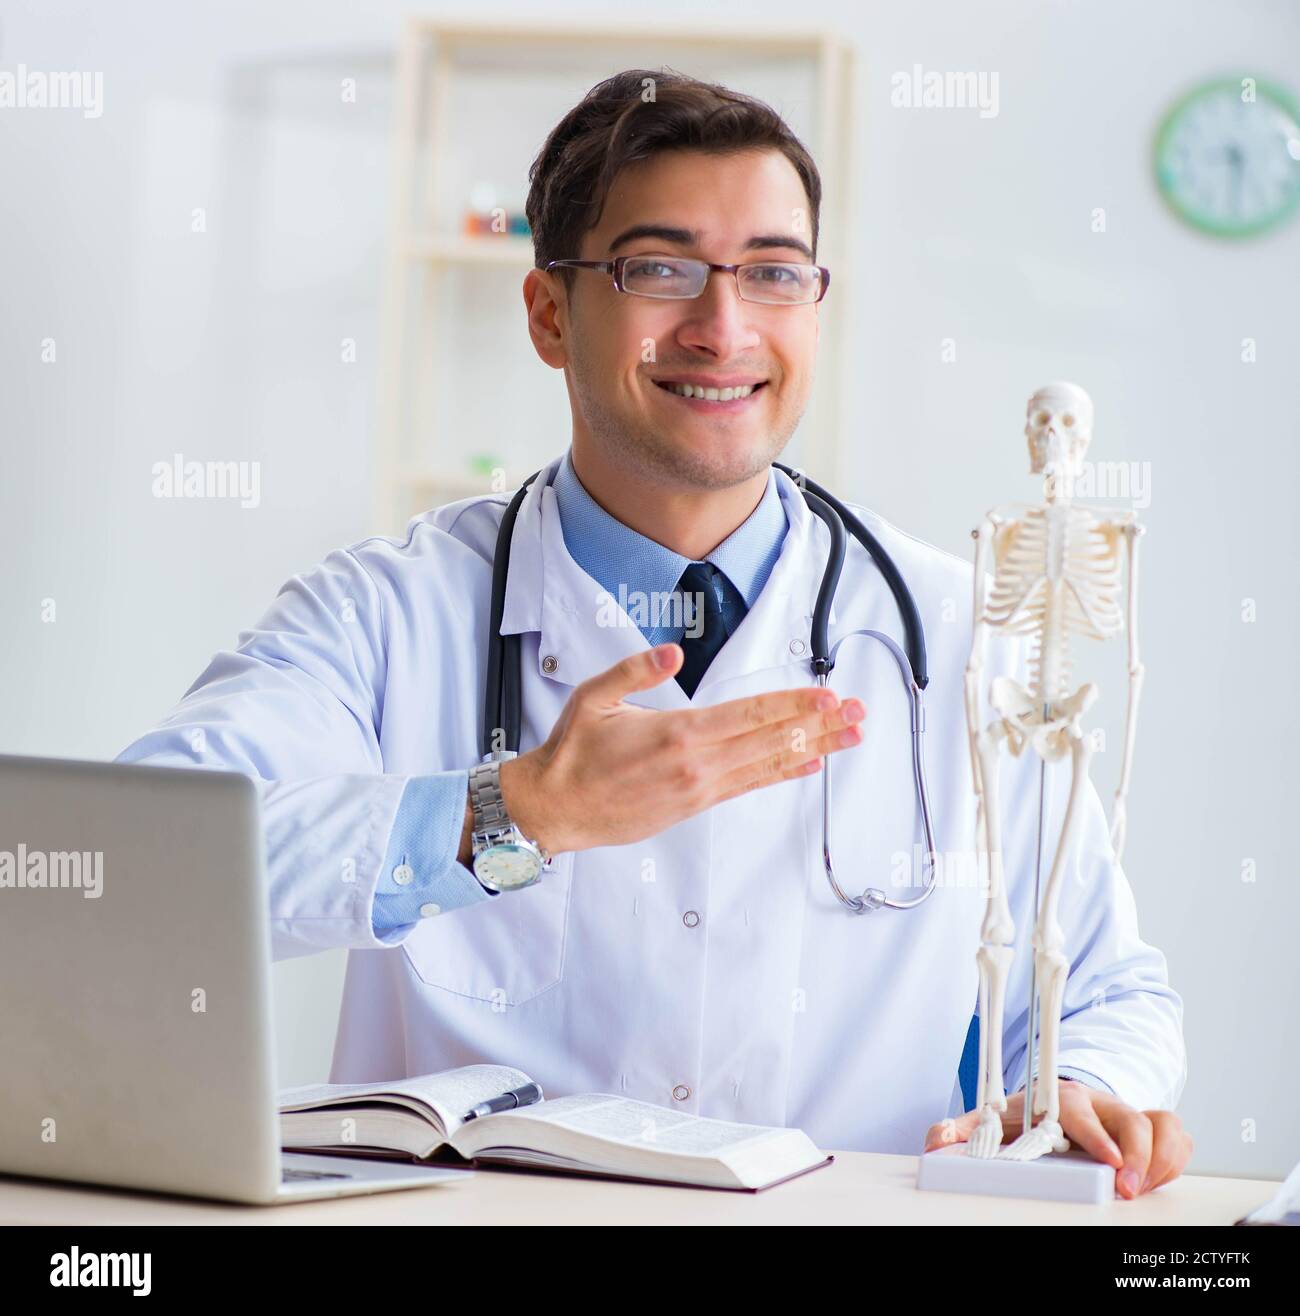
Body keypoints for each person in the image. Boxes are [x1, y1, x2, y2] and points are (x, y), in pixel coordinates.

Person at [117, 69, 1190, 1195]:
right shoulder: (384, 612)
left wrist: (1079, 1087)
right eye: (660, 268)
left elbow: (1109, 989)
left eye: (772, 273)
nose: (723, 327)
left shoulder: (951, 631)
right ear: (547, 312)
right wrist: (511, 811)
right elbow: (140, 878)